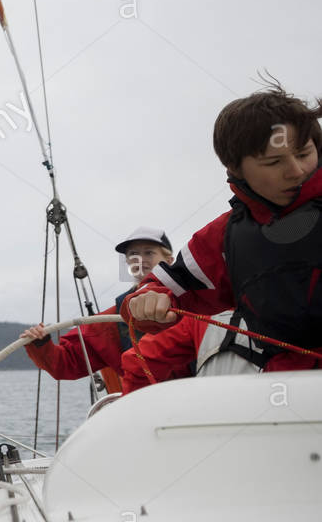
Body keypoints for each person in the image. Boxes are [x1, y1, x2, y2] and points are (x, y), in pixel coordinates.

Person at [124, 83, 322, 373]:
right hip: (290, 390)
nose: (296, 170)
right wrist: (147, 303)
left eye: (304, 154)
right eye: (274, 162)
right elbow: (163, 288)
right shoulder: (224, 239)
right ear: (237, 169)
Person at [20, 228, 173, 392]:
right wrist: (41, 343)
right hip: (143, 406)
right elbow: (66, 362)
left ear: (169, 260)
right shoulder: (113, 319)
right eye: (133, 254)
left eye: (149, 253)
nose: (140, 260)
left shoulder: (195, 302)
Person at [120, 310, 265, 393]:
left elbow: (139, 362)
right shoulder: (194, 314)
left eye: (149, 254)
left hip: (209, 422)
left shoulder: (197, 314)